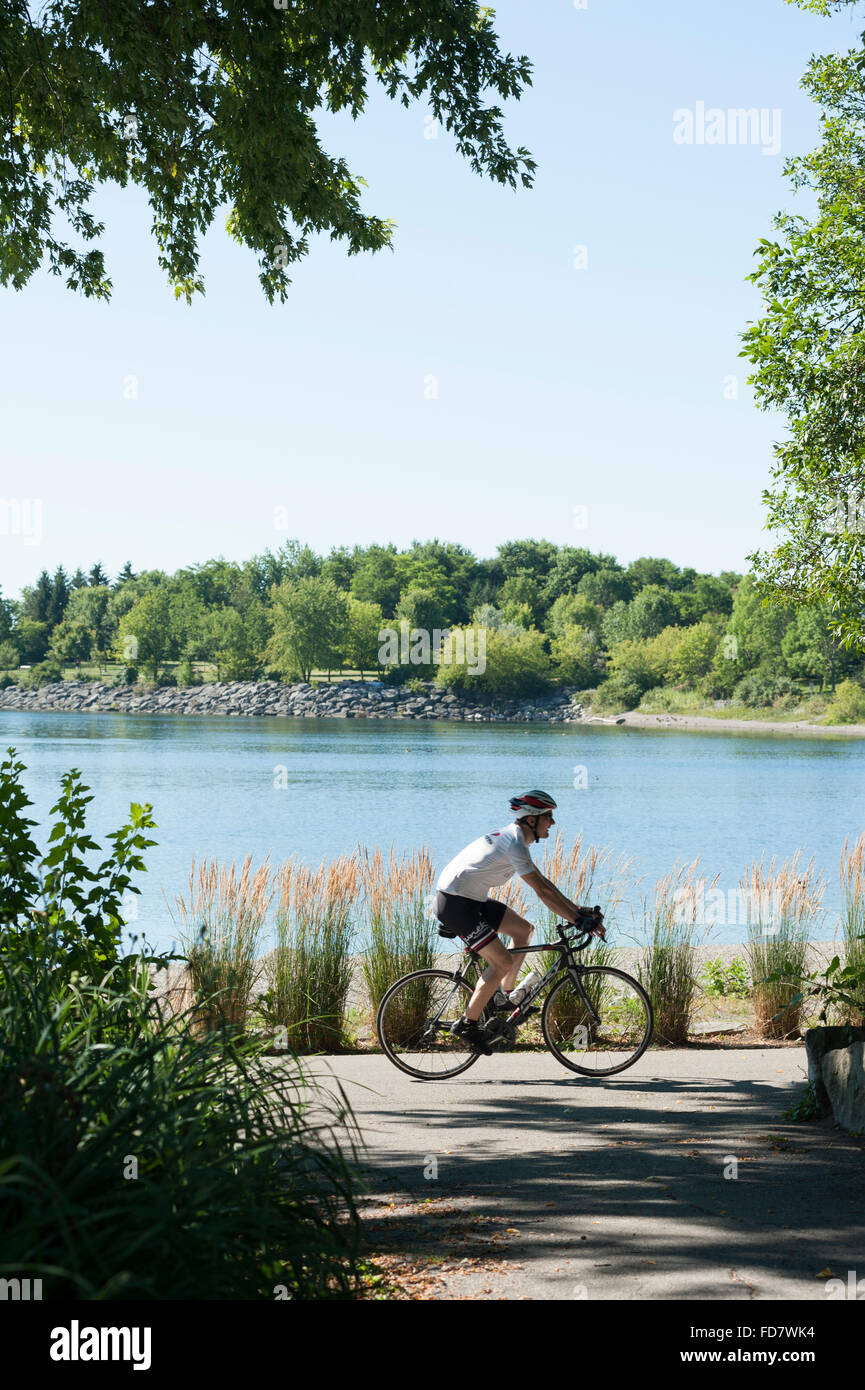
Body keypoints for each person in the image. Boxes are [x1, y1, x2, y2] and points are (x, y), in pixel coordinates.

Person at [434, 790, 606, 1051]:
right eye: (549, 816)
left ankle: (503, 997)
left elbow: (545, 884)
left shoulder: (517, 842)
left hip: (471, 899)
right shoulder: (514, 844)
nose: (553, 823)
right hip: (455, 903)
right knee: (501, 960)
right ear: (532, 820)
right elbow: (542, 892)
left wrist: (578, 911)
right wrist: (576, 919)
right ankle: (467, 1023)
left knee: (524, 930)